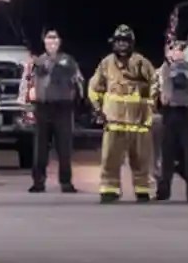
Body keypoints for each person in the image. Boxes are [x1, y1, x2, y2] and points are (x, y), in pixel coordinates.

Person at [87, 24, 157, 204]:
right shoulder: (106, 63)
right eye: (119, 42)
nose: (122, 46)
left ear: (131, 44)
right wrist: (98, 108)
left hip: (139, 121)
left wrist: (150, 103)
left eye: (125, 43)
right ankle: (109, 190)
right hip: (115, 121)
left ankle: (142, 190)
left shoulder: (142, 63)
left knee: (141, 159)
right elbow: (94, 87)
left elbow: (156, 84)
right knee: (110, 158)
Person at [23, 29, 83, 193]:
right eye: (49, 39)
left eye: (55, 38)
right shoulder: (37, 62)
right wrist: (27, 105)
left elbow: (75, 79)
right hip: (42, 107)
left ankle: (66, 182)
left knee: (64, 147)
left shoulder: (68, 61)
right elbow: (28, 82)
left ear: (59, 41)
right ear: (44, 42)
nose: (52, 42)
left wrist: (47, 64)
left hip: (63, 107)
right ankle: (38, 182)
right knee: (40, 148)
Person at [153, 41, 188, 203]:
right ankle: (163, 192)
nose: (178, 53)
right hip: (169, 114)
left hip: (187, 114)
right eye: (174, 50)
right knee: (166, 157)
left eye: (181, 51)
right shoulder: (162, 70)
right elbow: (154, 90)